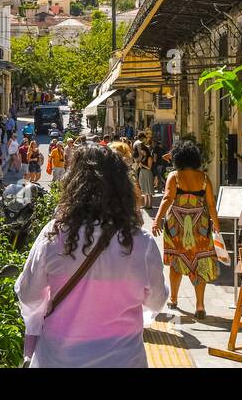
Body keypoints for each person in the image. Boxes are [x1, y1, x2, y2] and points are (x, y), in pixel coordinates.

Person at [15, 143, 168, 368]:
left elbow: (28, 294)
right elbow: (157, 300)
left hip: (58, 359)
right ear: (123, 190)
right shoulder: (142, 244)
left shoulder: (53, 235)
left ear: (74, 187)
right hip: (124, 359)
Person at [151, 140, 219, 320]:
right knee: (200, 263)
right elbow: (211, 205)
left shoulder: (175, 176)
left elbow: (167, 199)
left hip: (176, 227)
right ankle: (200, 305)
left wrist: (156, 220)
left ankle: (173, 299)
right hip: (201, 227)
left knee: (176, 261)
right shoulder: (204, 178)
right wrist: (217, 227)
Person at [134, 135, 155, 210]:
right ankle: (146, 204)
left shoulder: (149, 157)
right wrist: (139, 165)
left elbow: (149, 168)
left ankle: (149, 204)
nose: (141, 152)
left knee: (149, 189)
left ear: (145, 150)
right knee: (145, 189)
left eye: (142, 150)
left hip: (147, 173)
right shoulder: (143, 157)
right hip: (142, 173)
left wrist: (142, 164)